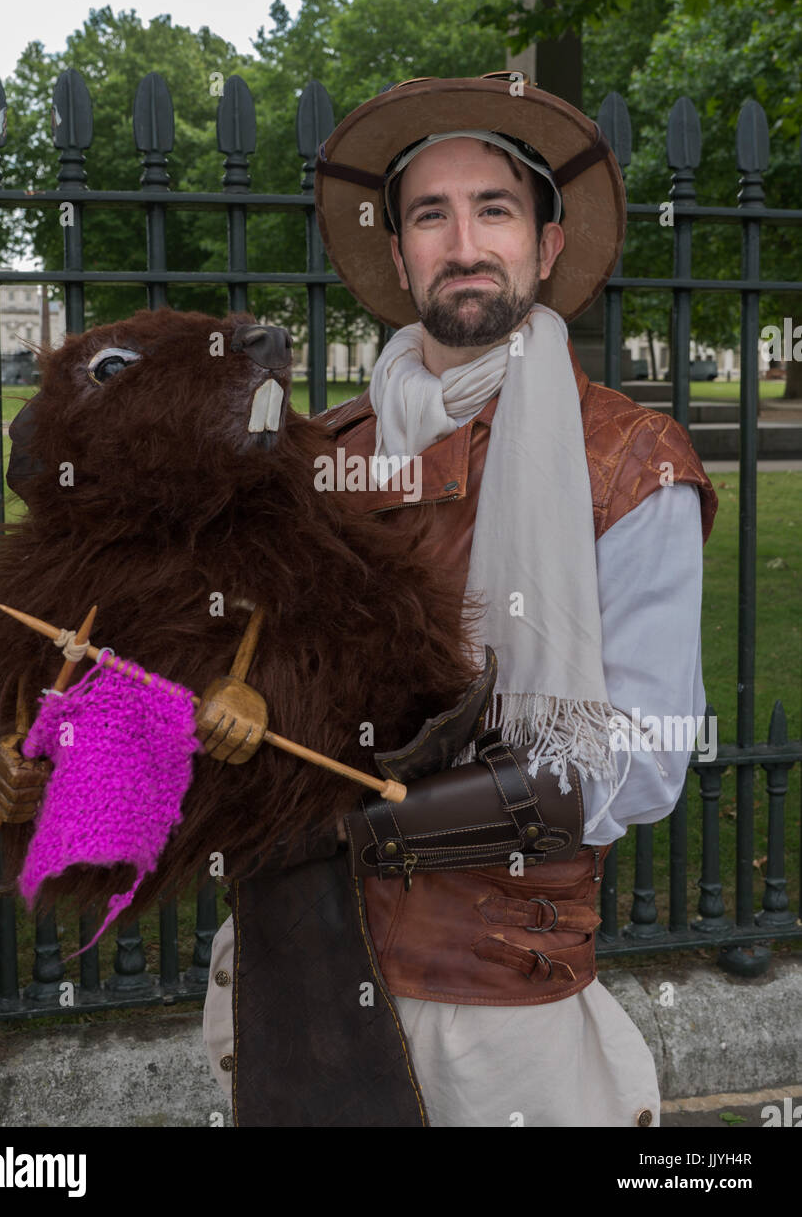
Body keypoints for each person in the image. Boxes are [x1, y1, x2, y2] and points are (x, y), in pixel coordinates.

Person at [203, 72, 718, 1127]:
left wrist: (361, 816)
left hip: (496, 1005)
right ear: (398, 256)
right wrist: (76, 754)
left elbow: (640, 757)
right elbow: (229, 683)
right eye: (430, 214)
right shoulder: (326, 452)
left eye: (495, 209)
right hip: (288, 966)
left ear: (547, 243)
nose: (464, 239)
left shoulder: (632, 463)